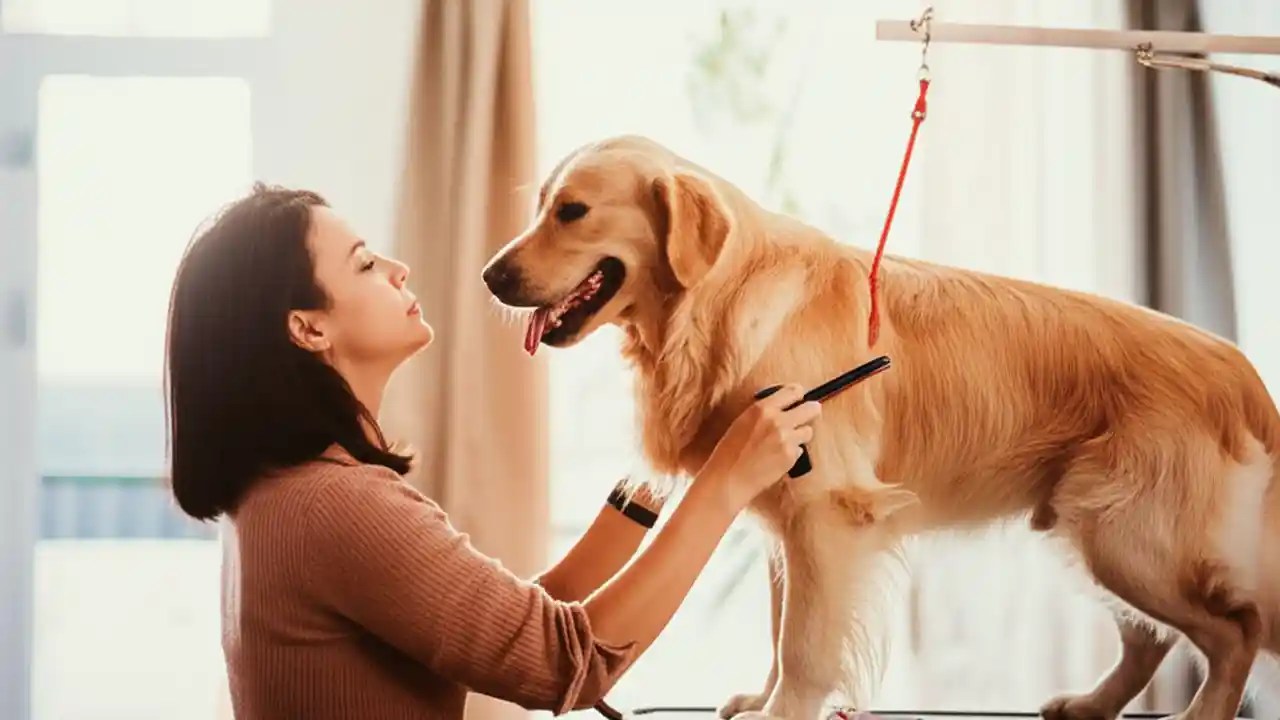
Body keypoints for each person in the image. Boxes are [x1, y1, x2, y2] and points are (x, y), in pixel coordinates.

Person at [164, 183, 822, 720]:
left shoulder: (289, 490)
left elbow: (507, 625)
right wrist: (726, 485)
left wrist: (655, 478)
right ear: (307, 327)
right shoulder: (339, 505)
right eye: (365, 263)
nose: (399, 269)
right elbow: (563, 663)